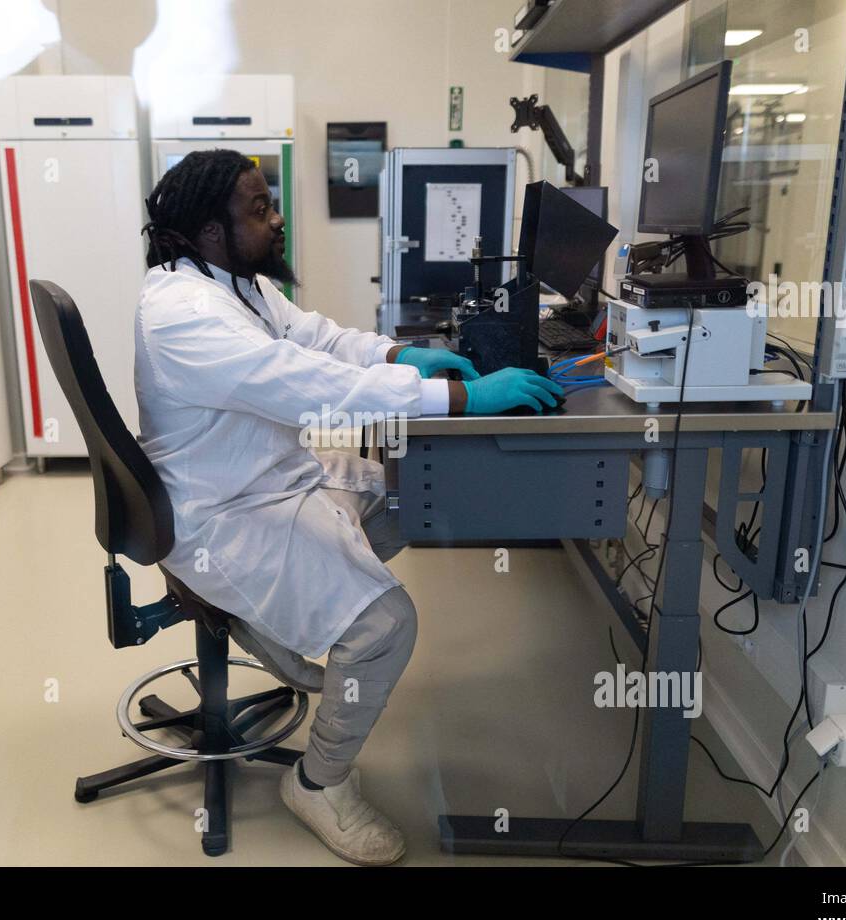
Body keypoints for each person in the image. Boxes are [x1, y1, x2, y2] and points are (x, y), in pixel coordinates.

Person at [134, 148, 562, 865]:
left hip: (268, 474)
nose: (277, 221)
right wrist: (461, 398)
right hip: (222, 515)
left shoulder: (230, 283)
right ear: (211, 231)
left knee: (417, 492)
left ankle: (305, 617)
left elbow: (315, 339)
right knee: (388, 623)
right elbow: (305, 385)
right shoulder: (183, 313)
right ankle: (318, 782)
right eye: (259, 209)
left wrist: (399, 356)